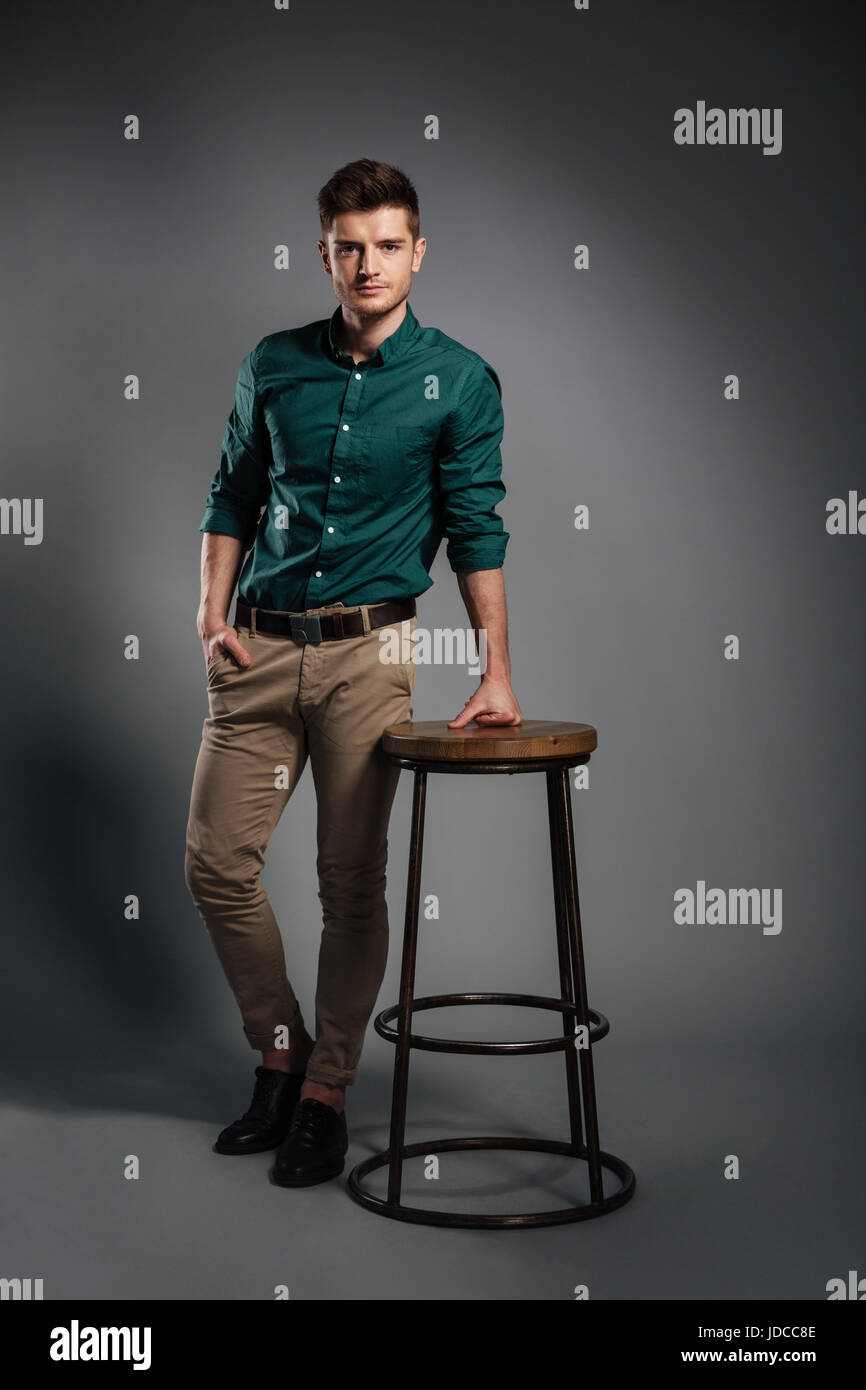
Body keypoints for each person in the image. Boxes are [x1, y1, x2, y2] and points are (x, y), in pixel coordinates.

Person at [184, 157, 522, 1189]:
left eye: (386, 245)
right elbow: (232, 490)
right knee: (215, 863)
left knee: (348, 883)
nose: (367, 264)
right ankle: (276, 1050)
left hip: (376, 651)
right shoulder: (272, 363)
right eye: (348, 247)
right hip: (258, 644)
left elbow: (475, 529)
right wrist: (208, 608)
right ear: (321, 252)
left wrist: (495, 672)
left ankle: (325, 1089)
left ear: (416, 251)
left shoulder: (458, 379)